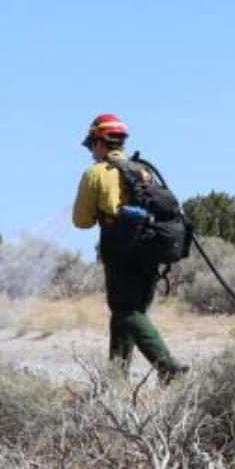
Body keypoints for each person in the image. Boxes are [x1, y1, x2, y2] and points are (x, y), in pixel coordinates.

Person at [72, 113, 189, 382]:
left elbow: (82, 221)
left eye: (92, 145)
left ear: (100, 143)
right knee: (128, 315)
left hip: (120, 250)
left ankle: (167, 366)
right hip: (150, 251)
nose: (91, 152)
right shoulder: (143, 171)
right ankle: (115, 381)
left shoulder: (96, 174)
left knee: (126, 311)